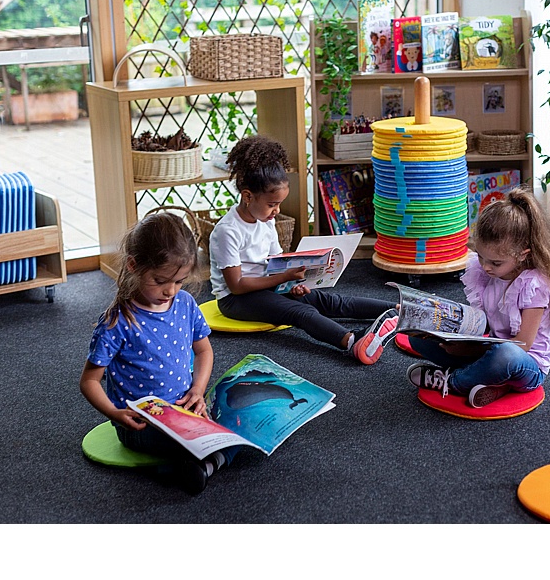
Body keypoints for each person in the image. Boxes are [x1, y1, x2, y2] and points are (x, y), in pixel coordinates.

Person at [209, 134, 398, 364]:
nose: (277, 211)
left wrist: (293, 282)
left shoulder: (266, 220)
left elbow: (276, 261)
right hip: (236, 299)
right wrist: (284, 278)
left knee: (327, 301)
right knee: (301, 312)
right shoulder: (227, 230)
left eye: (279, 204)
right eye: (272, 204)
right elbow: (237, 286)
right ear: (248, 196)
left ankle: (396, 310)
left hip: (267, 286)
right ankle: (351, 342)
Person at [80, 211, 225, 495]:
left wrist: (198, 390)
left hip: (186, 409)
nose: (170, 290)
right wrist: (114, 413)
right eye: (160, 280)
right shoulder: (117, 321)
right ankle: (198, 463)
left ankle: (202, 462)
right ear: (134, 266)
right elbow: (89, 381)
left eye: (180, 281)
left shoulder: (184, 304)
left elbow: (204, 351)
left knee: (238, 417)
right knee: (193, 441)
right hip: (141, 423)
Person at [406, 185, 550, 407]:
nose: (486, 267)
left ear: (522, 254)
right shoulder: (487, 273)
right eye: (481, 257)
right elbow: (483, 325)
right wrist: (442, 322)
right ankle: (489, 382)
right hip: (487, 350)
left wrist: (470, 349)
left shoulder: (535, 286)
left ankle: (453, 380)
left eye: (495, 262)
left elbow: (522, 345)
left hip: (526, 364)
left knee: (504, 356)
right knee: (419, 337)